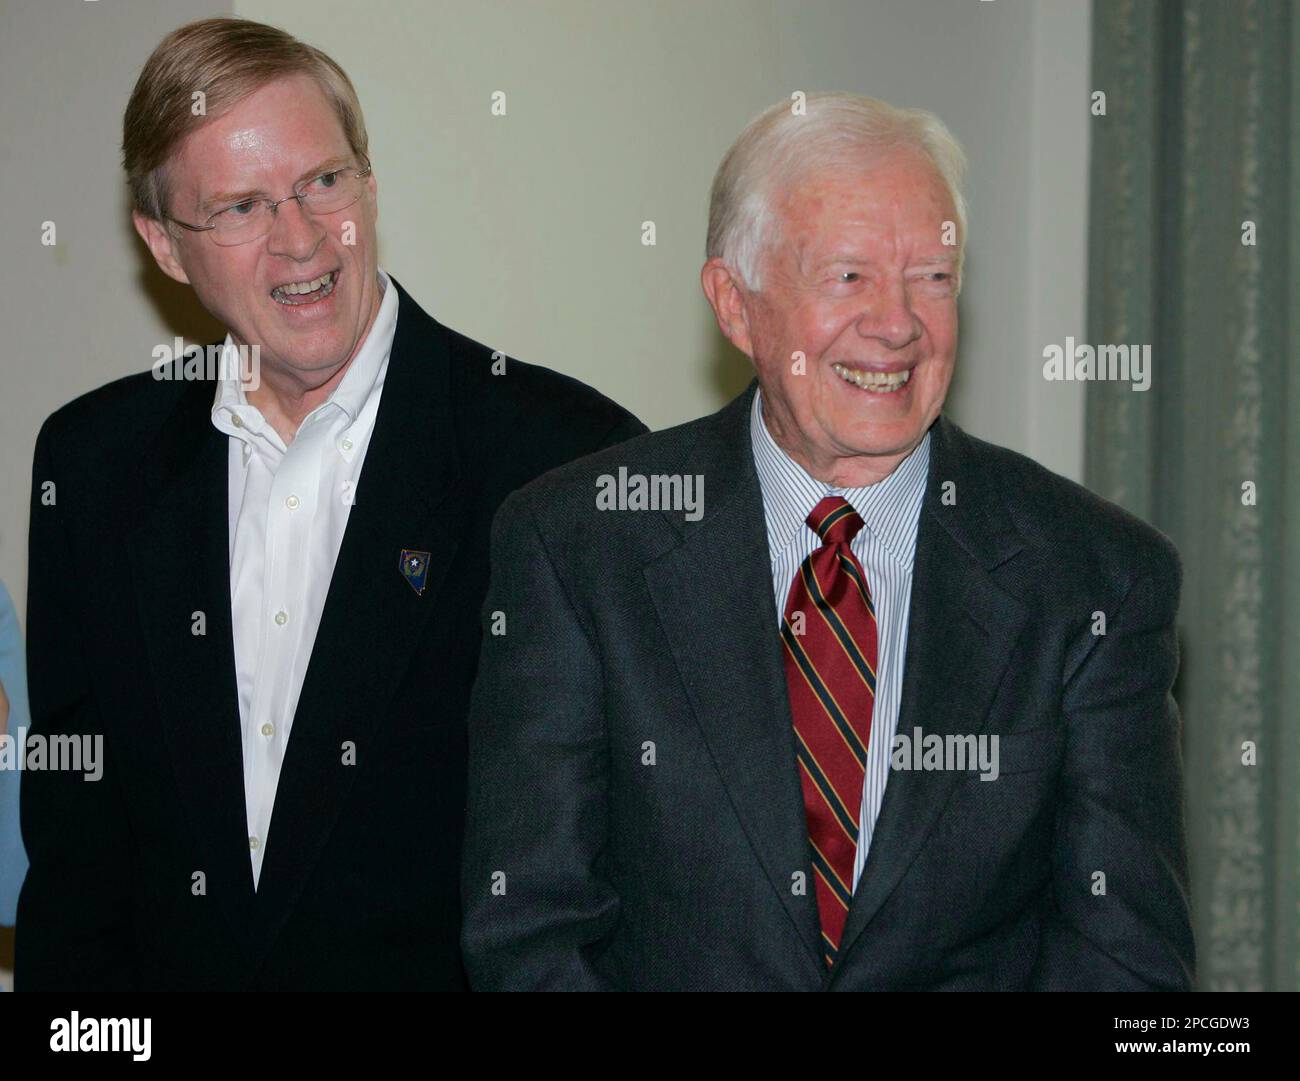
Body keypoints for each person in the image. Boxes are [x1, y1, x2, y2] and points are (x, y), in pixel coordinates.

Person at [461, 93, 1195, 990]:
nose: (897, 324)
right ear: (736, 304)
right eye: (849, 276)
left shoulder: (1094, 578)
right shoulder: (580, 546)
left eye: (933, 276)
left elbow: (1128, 966)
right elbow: (530, 932)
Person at [17, 17, 644, 991]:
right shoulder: (93, 465)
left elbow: (621, 872)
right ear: (164, 245)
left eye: (323, 181)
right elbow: (76, 856)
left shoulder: (564, 457)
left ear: (369, 182)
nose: (301, 238)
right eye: (239, 206)